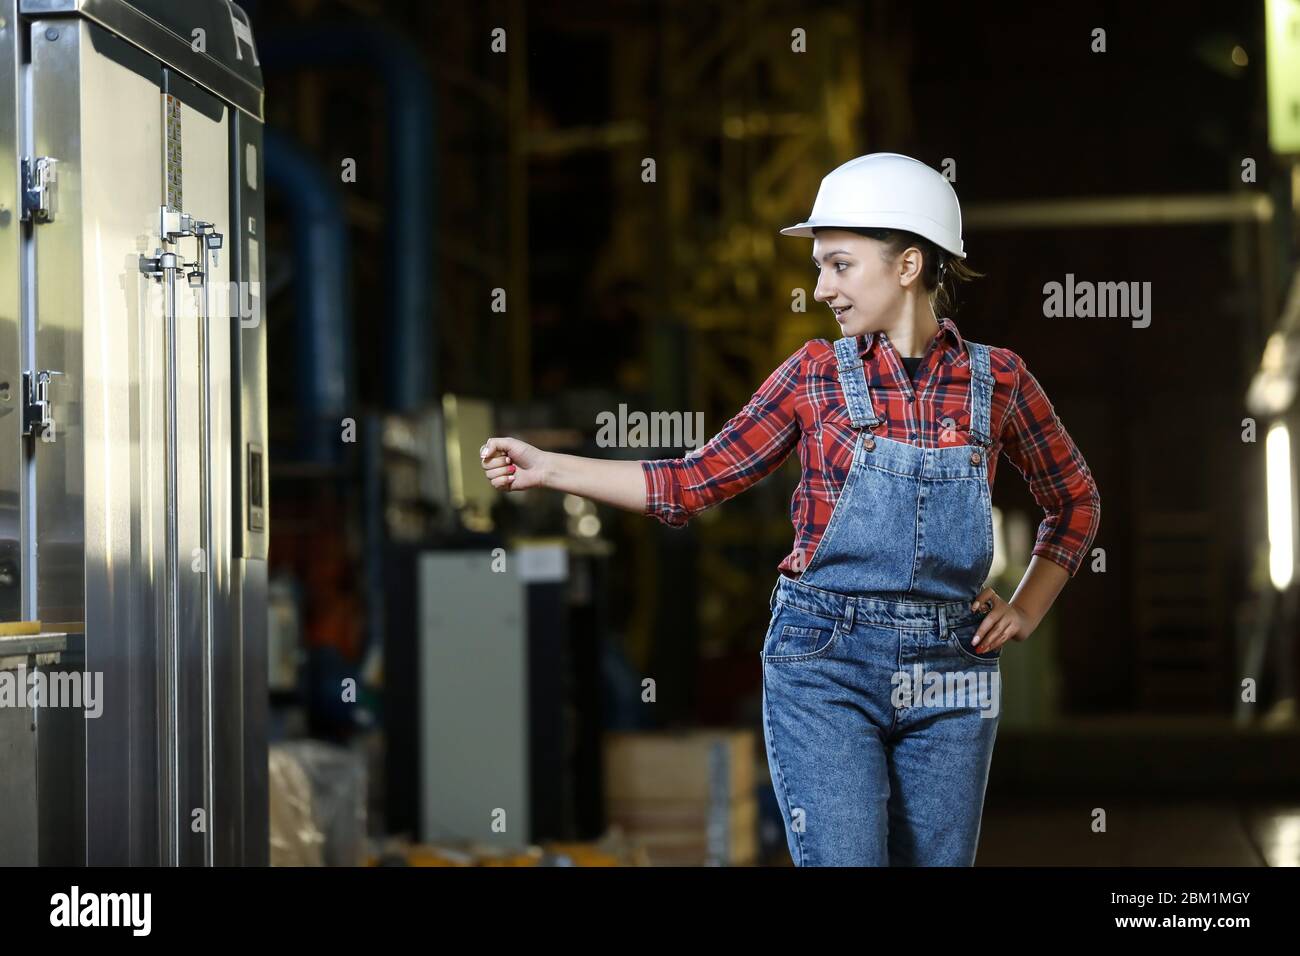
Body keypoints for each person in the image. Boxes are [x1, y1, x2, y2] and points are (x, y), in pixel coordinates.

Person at [479, 152, 1100, 866]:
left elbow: (1075, 499)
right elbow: (694, 481)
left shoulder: (999, 380)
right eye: (818, 268)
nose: (820, 288)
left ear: (907, 264)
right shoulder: (811, 376)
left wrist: (1027, 607)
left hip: (952, 666)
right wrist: (551, 467)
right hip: (826, 662)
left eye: (838, 265)